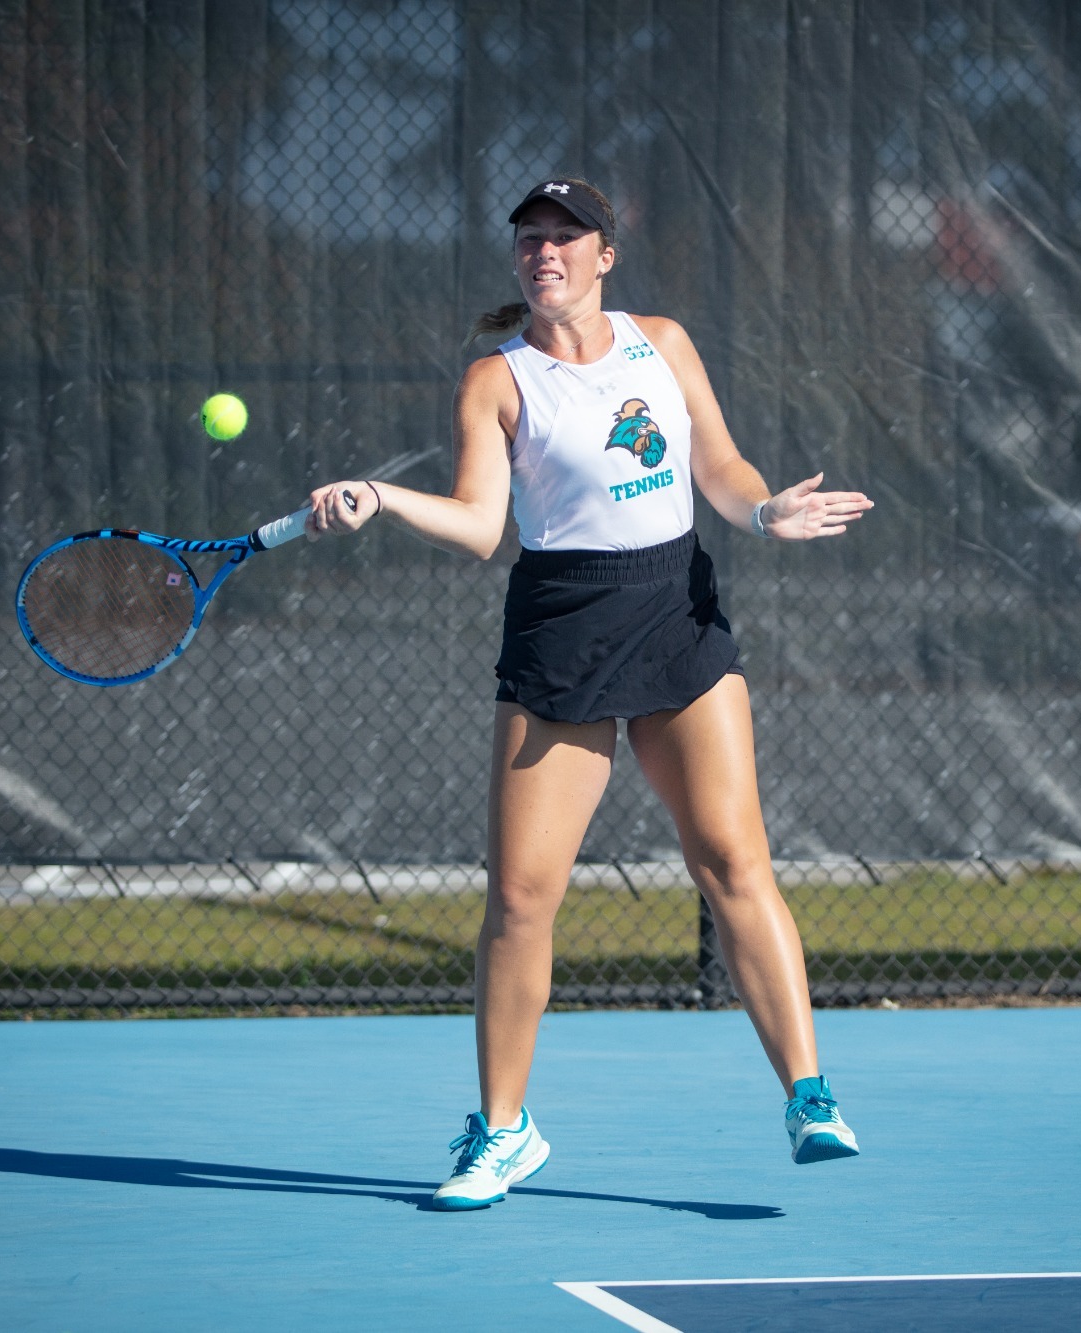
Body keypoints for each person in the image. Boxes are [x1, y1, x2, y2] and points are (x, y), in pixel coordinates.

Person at [304, 177, 874, 1212]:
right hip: (561, 626)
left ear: (605, 254)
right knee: (520, 900)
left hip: (675, 613)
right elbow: (484, 526)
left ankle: (808, 1093)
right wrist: (381, 496)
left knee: (733, 860)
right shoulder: (495, 378)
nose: (545, 253)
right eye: (530, 239)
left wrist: (761, 514)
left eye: (566, 237)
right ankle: (504, 1131)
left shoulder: (663, 340)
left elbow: (722, 463)